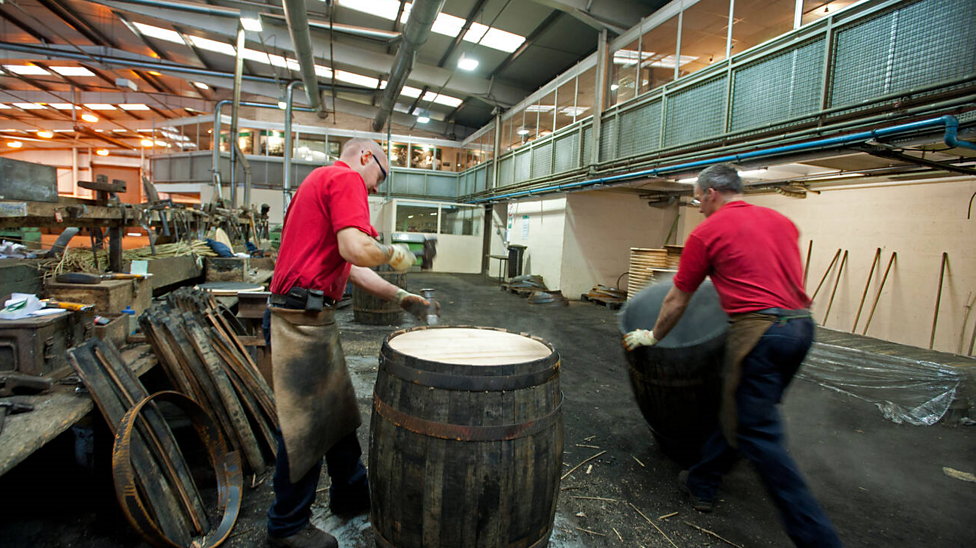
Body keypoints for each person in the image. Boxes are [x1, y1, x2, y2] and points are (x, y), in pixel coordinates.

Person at [622, 164, 843, 548]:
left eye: (698, 199)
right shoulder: (780, 222)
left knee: (760, 435)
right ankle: (703, 480)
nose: (699, 207)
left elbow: (676, 300)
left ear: (711, 193)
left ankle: (818, 538)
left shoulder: (707, 232)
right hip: (801, 328)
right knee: (742, 410)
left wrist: (652, 335)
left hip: (761, 334)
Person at [265, 138, 437, 548]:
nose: (376, 187)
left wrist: (401, 297)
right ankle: (286, 527)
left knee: (339, 415)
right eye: (381, 175)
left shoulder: (320, 182)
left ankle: (350, 492)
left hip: (313, 317)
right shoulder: (345, 179)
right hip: (299, 319)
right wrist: (395, 252)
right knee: (305, 426)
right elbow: (355, 249)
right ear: (365, 157)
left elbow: (350, 266)